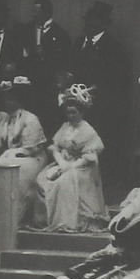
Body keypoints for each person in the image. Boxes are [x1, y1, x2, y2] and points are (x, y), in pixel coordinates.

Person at [34, 86, 107, 232]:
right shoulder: (65, 127)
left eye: (74, 112)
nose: (71, 116)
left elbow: (89, 157)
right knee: (42, 179)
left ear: (82, 112)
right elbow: (55, 147)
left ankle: (66, 221)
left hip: (82, 168)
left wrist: (69, 166)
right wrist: (61, 162)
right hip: (64, 163)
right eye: (68, 112)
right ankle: (46, 220)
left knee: (64, 181)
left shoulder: (88, 131)